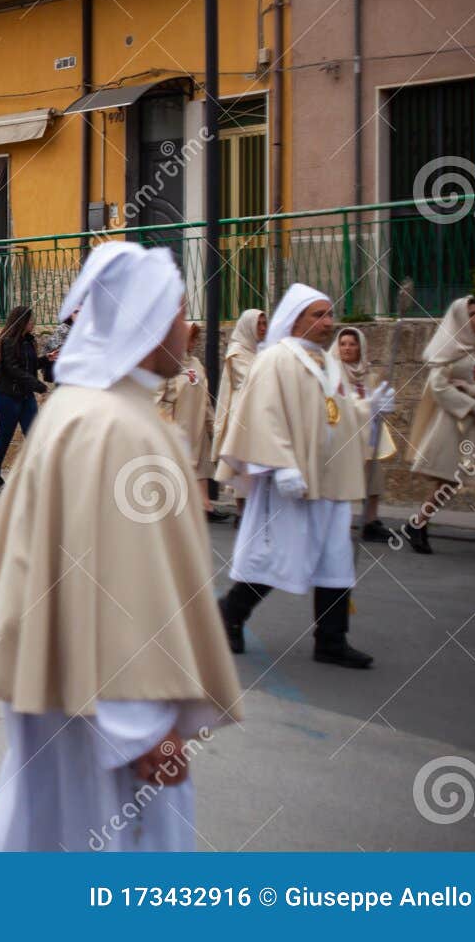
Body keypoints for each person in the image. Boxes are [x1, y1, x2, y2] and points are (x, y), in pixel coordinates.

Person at [0, 242, 242, 851]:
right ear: (147, 319)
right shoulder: (116, 426)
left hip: (74, 691)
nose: (189, 328)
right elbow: (116, 590)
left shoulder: (87, 408)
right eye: (180, 311)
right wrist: (142, 728)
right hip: (106, 714)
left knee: (44, 823)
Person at [217, 284, 392, 669]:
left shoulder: (328, 362)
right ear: (296, 318)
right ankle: (229, 614)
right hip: (291, 479)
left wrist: (368, 409)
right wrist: (281, 465)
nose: (329, 322)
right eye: (319, 315)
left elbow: (336, 413)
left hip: (329, 478)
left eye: (330, 314)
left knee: (335, 558)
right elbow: (263, 414)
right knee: (276, 554)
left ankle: (331, 640)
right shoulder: (275, 359)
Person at [404, 295, 475, 557]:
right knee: (449, 479)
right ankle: (418, 523)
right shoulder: (447, 349)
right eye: (472, 314)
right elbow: (439, 387)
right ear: (460, 318)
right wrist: (470, 406)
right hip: (455, 422)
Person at [156, 324, 227, 521]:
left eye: (195, 338)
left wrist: (213, 425)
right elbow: (158, 397)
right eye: (190, 338)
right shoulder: (167, 362)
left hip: (197, 423)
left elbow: (205, 397)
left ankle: (205, 505)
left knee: (201, 467)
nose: (193, 343)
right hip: (176, 423)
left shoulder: (196, 363)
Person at [331, 326, 395, 543]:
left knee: (373, 476)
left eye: (352, 344)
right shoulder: (332, 372)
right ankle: (338, 521)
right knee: (343, 477)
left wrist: (383, 405)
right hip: (345, 433)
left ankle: (370, 521)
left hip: (369, 431)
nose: (347, 348)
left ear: (360, 347)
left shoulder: (368, 374)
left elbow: (375, 401)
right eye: (343, 344)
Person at [210, 308, 266, 521]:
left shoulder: (261, 350)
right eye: (259, 324)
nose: (263, 328)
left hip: (258, 410)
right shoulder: (237, 352)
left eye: (265, 324)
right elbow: (249, 380)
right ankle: (243, 512)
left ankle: (253, 510)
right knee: (242, 460)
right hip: (241, 412)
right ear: (248, 326)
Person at [0, 309, 45, 487]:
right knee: (5, 435)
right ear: (22, 321)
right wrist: (38, 385)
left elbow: (30, 365)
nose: (33, 323)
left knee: (33, 434)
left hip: (26, 396)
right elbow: (13, 369)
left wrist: (46, 359)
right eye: (30, 320)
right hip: (8, 396)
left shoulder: (29, 341)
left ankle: (40, 476)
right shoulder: (8, 341)